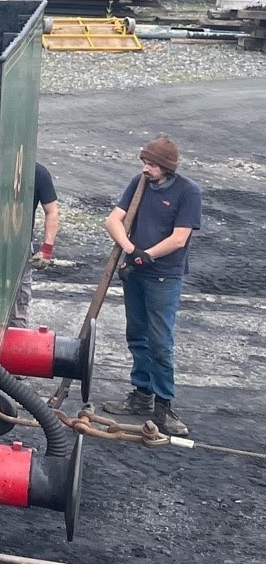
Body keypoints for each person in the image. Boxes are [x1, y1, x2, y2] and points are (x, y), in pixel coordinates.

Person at [103, 136, 201, 436]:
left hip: (164, 277)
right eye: (145, 163)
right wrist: (132, 251)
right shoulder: (139, 183)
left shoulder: (188, 192)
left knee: (160, 342)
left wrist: (147, 256)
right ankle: (142, 394)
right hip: (135, 272)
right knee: (137, 335)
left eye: (152, 165)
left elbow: (179, 238)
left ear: (167, 168)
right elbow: (113, 221)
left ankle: (164, 407)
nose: (146, 169)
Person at [9, 160, 60, 328]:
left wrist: (47, 249)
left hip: (21, 245)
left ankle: (16, 348)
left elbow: (52, 212)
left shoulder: (38, 173)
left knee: (20, 302)